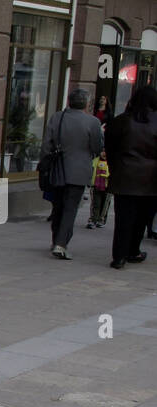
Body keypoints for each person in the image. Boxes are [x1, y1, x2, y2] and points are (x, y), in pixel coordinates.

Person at [42, 88, 104, 260]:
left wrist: (47, 162)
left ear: (69, 101)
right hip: (79, 170)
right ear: (86, 103)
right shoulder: (93, 122)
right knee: (70, 208)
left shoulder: (57, 117)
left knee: (58, 206)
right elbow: (97, 148)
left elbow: (47, 144)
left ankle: (56, 240)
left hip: (58, 169)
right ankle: (61, 244)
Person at [103, 85, 157, 269]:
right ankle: (133, 250)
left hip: (125, 175)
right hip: (150, 178)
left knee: (123, 218)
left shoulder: (122, 121)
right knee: (142, 218)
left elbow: (110, 147)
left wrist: (114, 167)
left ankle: (119, 256)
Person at [86, 153, 111, 229]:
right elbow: (89, 171)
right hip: (96, 186)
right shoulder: (95, 161)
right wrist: (88, 181)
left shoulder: (113, 161)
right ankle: (93, 220)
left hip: (107, 187)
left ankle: (101, 220)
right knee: (96, 203)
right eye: (102, 151)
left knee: (105, 205)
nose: (104, 153)